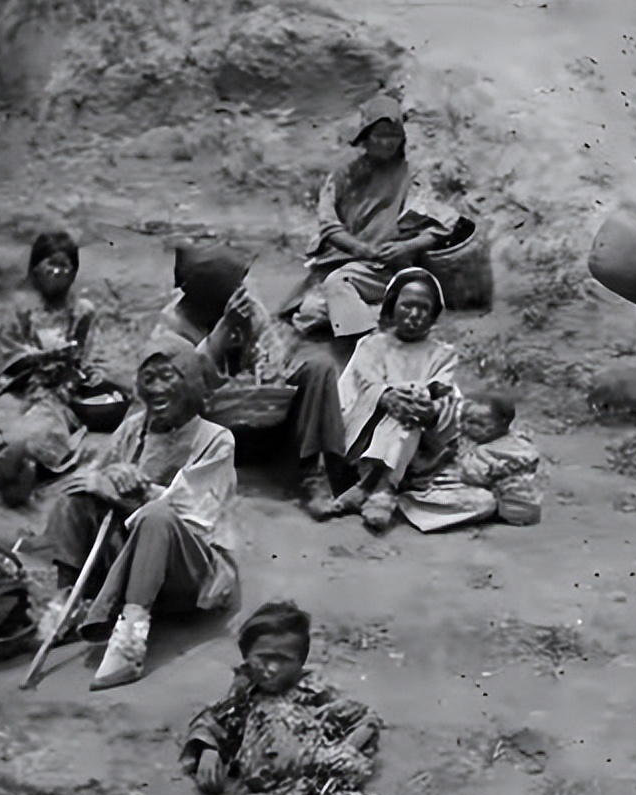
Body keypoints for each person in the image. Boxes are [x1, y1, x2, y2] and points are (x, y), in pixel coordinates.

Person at [35, 333, 238, 690]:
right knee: (76, 497)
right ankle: (68, 601)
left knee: (155, 517)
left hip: (189, 571)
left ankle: (130, 637)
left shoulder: (216, 439)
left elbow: (194, 514)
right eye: (149, 379)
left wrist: (136, 491)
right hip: (132, 553)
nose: (156, 389)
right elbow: (93, 475)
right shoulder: (134, 428)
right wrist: (110, 475)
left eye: (167, 377)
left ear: (190, 380)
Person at [177, 601, 383, 795]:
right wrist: (209, 748)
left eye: (284, 660)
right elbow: (215, 720)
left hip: (314, 791)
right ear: (246, 655)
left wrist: (341, 752)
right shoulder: (245, 691)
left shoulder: (315, 693)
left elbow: (366, 720)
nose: (272, 668)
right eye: (263, 657)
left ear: (301, 661)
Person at [157, 240, 347, 520]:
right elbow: (182, 385)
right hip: (211, 432)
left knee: (319, 368)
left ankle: (317, 477)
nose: (242, 291)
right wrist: (221, 334)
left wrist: (262, 363)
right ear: (212, 293)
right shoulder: (172, 324)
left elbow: (273, 361)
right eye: (235, 285)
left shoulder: (249, 309)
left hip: (262, 419)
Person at [282, 95, 453, 339]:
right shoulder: (344, 174)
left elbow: (440, 227)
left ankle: (367, 340)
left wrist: (406, 247)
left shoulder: (412, 175)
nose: (387, 143)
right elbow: (329, 225)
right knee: (311, 310)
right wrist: (359, 248)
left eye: (393, 136)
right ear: (365, 136)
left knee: (337, 286)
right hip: (352, 262)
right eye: (380, 135)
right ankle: (379, 316)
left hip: (393, 271)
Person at [330, 268, 460, 533]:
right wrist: (390, 396)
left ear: (433, 315)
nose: (414, 315)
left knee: (414, 407)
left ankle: (371, 487)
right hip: (366, 433)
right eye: (407, 305)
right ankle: (383, 488)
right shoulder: (371, 345)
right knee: (403, 405)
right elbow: (367, 387)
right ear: (392, 307)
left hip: (420, 444)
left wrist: (430, 407)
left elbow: (446, 395)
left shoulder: (443, 354)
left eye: (423, 308)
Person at [0, 232, 97, 508]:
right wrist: (37, 357)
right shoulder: (20, 308)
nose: (57, 272)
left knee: (45, 424)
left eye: (65, 266)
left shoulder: (82, 311)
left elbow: (83, 357)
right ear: (35, 268)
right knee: (3, 417)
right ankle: (13, 460)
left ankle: (23, 462)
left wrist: (77, 369)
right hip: (16, 384)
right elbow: (4, 353)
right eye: (51, 264)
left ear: (74, 272)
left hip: (55, 390)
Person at [399, 389, 543, 531]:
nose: (468, 427)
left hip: (478, 484)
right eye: (464, 420)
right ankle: (410, 500)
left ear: (503, 423)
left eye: (479, 424)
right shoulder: (466, 437)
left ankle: (411, 503)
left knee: (485, 502)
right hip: (442, 481)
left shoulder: (513, 448)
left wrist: (455, 459)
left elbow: (474, 473)